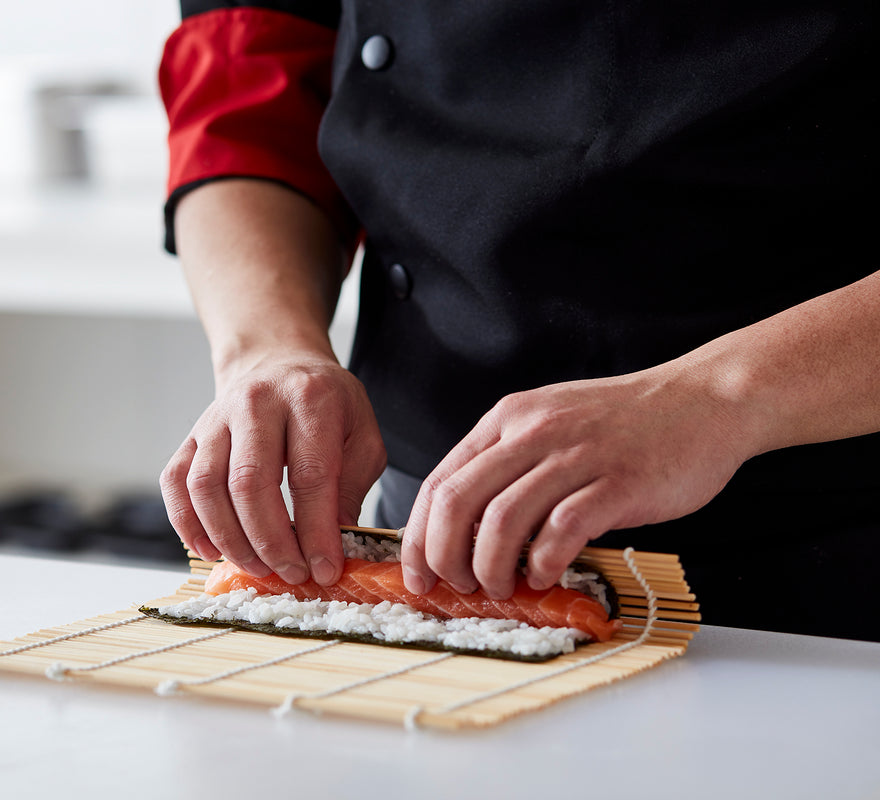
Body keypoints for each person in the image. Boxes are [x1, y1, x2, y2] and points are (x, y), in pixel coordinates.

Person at [155, 1, 879, 640]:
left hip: (832, 535)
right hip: (427, 519)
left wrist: (722, 396)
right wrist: (268, 348)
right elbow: (247, 97)